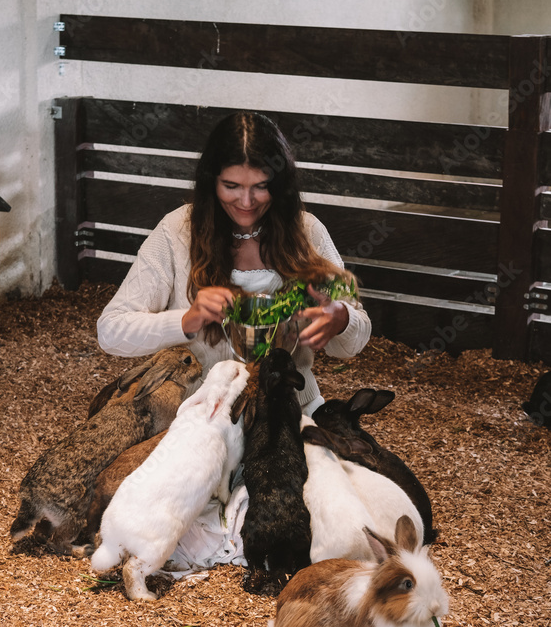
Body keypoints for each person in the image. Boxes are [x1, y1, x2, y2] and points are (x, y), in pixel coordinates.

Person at [97, 110, 371, 414]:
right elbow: (111, 332)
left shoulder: (308, 232)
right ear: (211, 181)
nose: (246, 202)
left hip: (290, 409)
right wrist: (187, 320)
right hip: (203, 412)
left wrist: (342, 318)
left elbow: (353, 343)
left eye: (261, 186)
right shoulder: (176, 232)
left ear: (279, 183)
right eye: (232, 186)